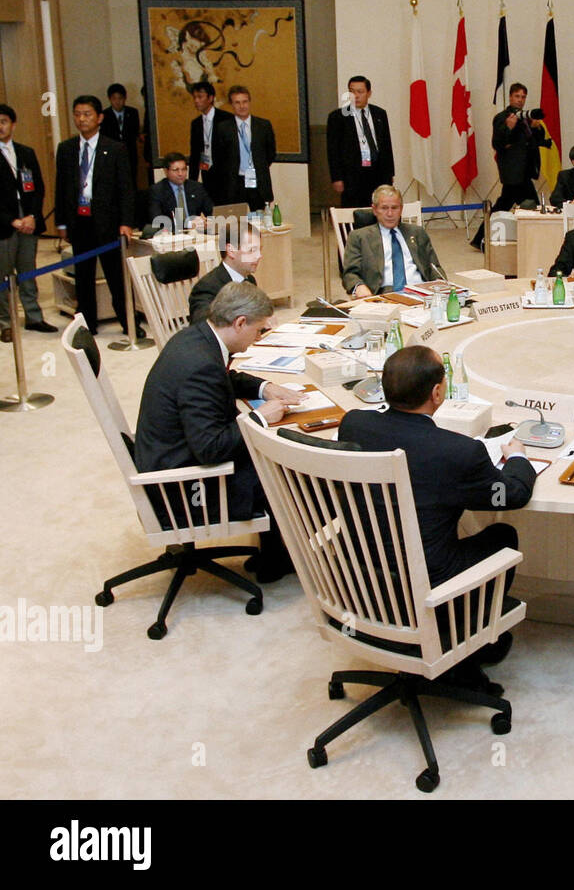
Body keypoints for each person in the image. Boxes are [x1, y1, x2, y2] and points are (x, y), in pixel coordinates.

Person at [339, 345, 534, 685]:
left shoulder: (354, 424)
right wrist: (517, 457)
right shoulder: (458, 452)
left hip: (358, 572)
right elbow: (512, 495)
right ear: (437, 392)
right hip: (424, 581)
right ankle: (466, 641)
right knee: (503, 537)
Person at [133, 281, 301, 582]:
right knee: (289, 466)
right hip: (183, 486)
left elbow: (225, 379)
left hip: (162, 454)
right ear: (239, 323)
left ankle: (276, 554)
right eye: (258, 330)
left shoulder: (196, 338)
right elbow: (210, 448)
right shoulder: (200, 365)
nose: (258, 337)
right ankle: (278, 561)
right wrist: (260, 417)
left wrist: (266, 387)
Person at [54, 95, 136, 337]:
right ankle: (87, 323)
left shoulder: (115, 148)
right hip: (79, 221)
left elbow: (126, 189)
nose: (82, 119)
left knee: (115, 275)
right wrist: (61, 222)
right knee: (83, 276)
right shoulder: (66, 149)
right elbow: (61, 188)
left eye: (87, 114)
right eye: (77, 114)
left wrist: (126, 223)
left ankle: (127, 321)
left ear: (99, 117)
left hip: (108, 223)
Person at [471, 82, 547, 249]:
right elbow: (497, 143)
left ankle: (479, 238)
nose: (520, 100)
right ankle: (539, 238)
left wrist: (536, 128)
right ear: (510, 97)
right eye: (517, 96)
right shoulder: (501, 118)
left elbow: (536, 141)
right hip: (512, 171)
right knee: (531, 205)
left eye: (523, 97)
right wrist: (509, 128)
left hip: (525, 170)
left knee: (503, 205)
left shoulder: (526, 118)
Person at [0, 103, 52, 341]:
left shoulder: (26, 152)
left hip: (28, 218)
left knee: (28, 269)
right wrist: (12, 220)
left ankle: (33, 316)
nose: (0, 126)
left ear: (13, 124)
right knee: (3, 273)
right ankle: (5, 321)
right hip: (4, 223)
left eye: (3, 121)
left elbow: (37, 188)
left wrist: (32, 216)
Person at [342, 185, 441, 298]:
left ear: (401, 209)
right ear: (374, 210)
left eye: (394, 208)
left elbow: (434, 267)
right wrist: (358, 286)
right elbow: (350, 274)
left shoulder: (417, 233)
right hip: (383, 295)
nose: (390, 214)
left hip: (420, 292)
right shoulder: (359, 237)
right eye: (384, 208)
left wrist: (441, 284)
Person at [326, 75, 394, 209]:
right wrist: (336, 177)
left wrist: (390, 173)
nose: (355, 96)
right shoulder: (338, 117)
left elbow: (386, 144)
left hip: (377, 171)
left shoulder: (379, 114)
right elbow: (332, 150)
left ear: (369, 93)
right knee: (353, 212)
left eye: (360, 92)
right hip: (352, 174)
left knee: (380, 208)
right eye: (352, 91)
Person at [189, 221, 262, 324]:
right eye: (252, 250)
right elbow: (204, 327)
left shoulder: (249, 280)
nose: (259, 255)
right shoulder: (206, 288)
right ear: (231, 251)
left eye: (259, 250)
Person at [223, 86, 276, 212]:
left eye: (245, 101)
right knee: (236, 222)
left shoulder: (263, 125)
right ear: (232, 105)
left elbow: (270, 154)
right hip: (235, 182)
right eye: (237, 102)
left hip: (258, 180)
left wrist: (256, 166)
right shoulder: (223, 128)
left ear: (249, 102)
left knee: (259, 221)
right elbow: (221, 158)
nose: (242, 106)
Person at [187, 81, 234, 205]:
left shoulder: (226, 119)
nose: (196, 101)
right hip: (207, 173)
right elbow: (195, 154)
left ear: (211, 98)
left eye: (200, 97)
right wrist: (191, 182)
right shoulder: (196, 123)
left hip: (225, 175)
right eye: (194, 97)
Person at [146, 152, 212, 231]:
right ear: (166, 171)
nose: (180, 174)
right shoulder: (157, 191)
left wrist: (206, 221)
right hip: (171, 235)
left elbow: (210, 210)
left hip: (196, 233)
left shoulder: (196, 187)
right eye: (176, 170)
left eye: (183, 169)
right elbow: (158, 221)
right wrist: (188, 224)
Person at [100, 83, 141, 187]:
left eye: (120, 98)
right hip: (111, 154)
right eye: (114, 99)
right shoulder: (104, 115)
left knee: (131, 181)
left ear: (125, 98)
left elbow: (135, 131)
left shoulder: (133, 112)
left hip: (130, 153)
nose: (117, 102)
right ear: (110, 99)